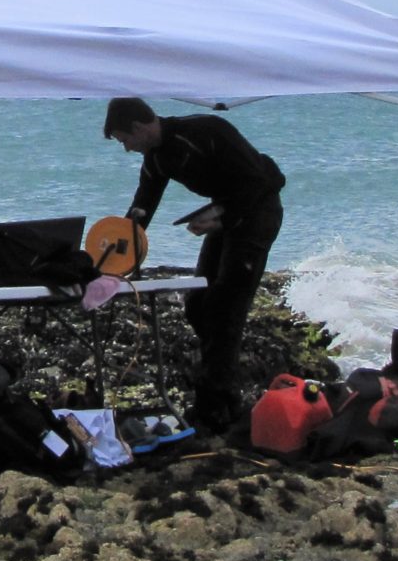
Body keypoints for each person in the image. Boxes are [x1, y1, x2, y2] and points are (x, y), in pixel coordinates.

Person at [103, 97, 285, 435]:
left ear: (139, 127)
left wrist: (222, 217)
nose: (126, 148)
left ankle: (215, 406)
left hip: (258, 212)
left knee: (225, 306)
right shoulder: (155, 158)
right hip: (225, 214)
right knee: (199, 304)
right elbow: (142, 209)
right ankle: (223, 390)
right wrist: (113, 259)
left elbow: (262, 181)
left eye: (124, 140)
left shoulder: (207, 131)